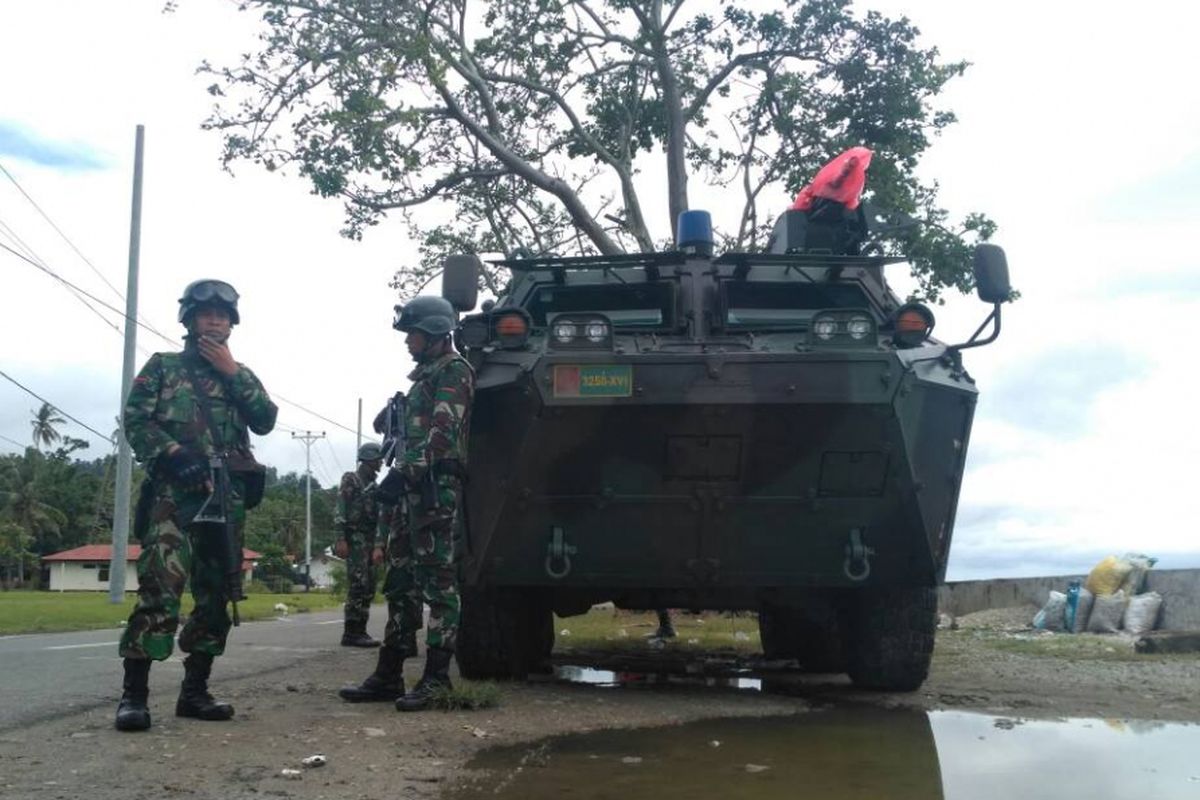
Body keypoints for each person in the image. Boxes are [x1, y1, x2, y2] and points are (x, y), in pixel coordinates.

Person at [114, 279, 277, 732]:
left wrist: (232, 372)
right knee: (159, 589)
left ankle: (195, 692)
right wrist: (173, 454)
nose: (215, 320)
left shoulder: (239, 373)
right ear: (188, 318)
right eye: (206, 313)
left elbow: (265, 419)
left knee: (216, 595)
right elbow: (134, 419)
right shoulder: (163, 367)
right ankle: (134, 696)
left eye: (222, 315)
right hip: (174, 496)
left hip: (225, 498)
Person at [338, 295, 474, 712]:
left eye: (412, 333)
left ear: (434, 333)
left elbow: (442, 434)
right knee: (400, 582)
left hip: (432, 491)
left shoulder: (454, 371)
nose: (407, 341)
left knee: (439, 584)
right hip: (408, 495)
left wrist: (402, 474)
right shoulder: (423, 376)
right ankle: (389, 672)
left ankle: (436, 679)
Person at [335, 442, 385, 647]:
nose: (381, 462)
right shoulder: (351, 479)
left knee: (369, 586)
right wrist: (340, 538)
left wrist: (379, 545)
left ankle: (360, 630)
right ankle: (351, 632)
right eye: (378, 459)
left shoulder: (375, 485)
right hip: (354, 538)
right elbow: (340, 509)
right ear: (368, 459)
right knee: (358, 584)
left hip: (370, 539)